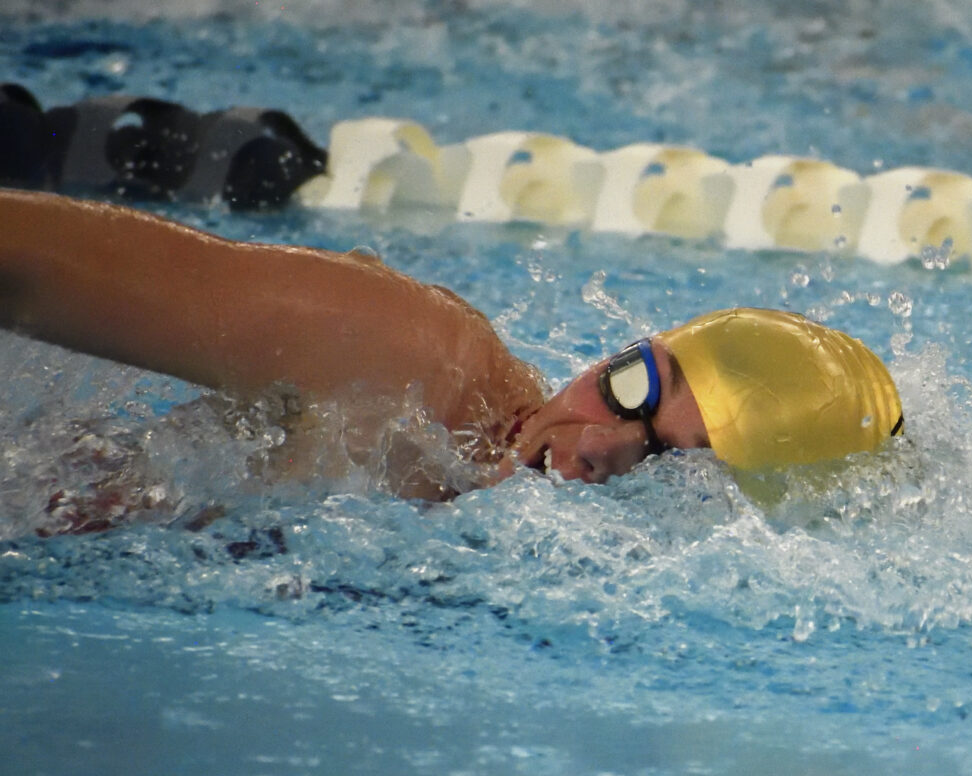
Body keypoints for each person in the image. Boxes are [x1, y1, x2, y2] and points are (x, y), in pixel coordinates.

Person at [0, 188, 903, 508]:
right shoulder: (401, 354)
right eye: (630, 384)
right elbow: (27, 263)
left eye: (669, 461)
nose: (596, 444)